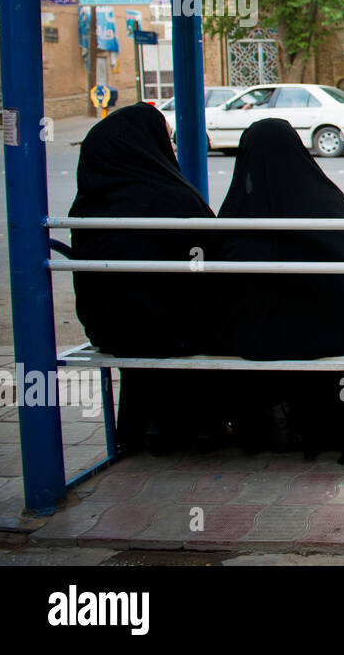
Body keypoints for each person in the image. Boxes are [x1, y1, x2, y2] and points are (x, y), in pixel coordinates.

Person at [218, 118, 344, 467]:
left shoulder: (236, 215)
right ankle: (338, 427)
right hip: (337, 338)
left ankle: (275, 423)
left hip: (257, 343)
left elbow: (219, 297)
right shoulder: (329, 205)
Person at [69, 103, 233, 455]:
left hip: (111, 331)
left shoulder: (89, 203)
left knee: (146, 320)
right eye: (167, 141)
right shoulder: (173, 198)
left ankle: (142, 429)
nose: (171, 149)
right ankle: (199, 426)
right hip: (180, 333)